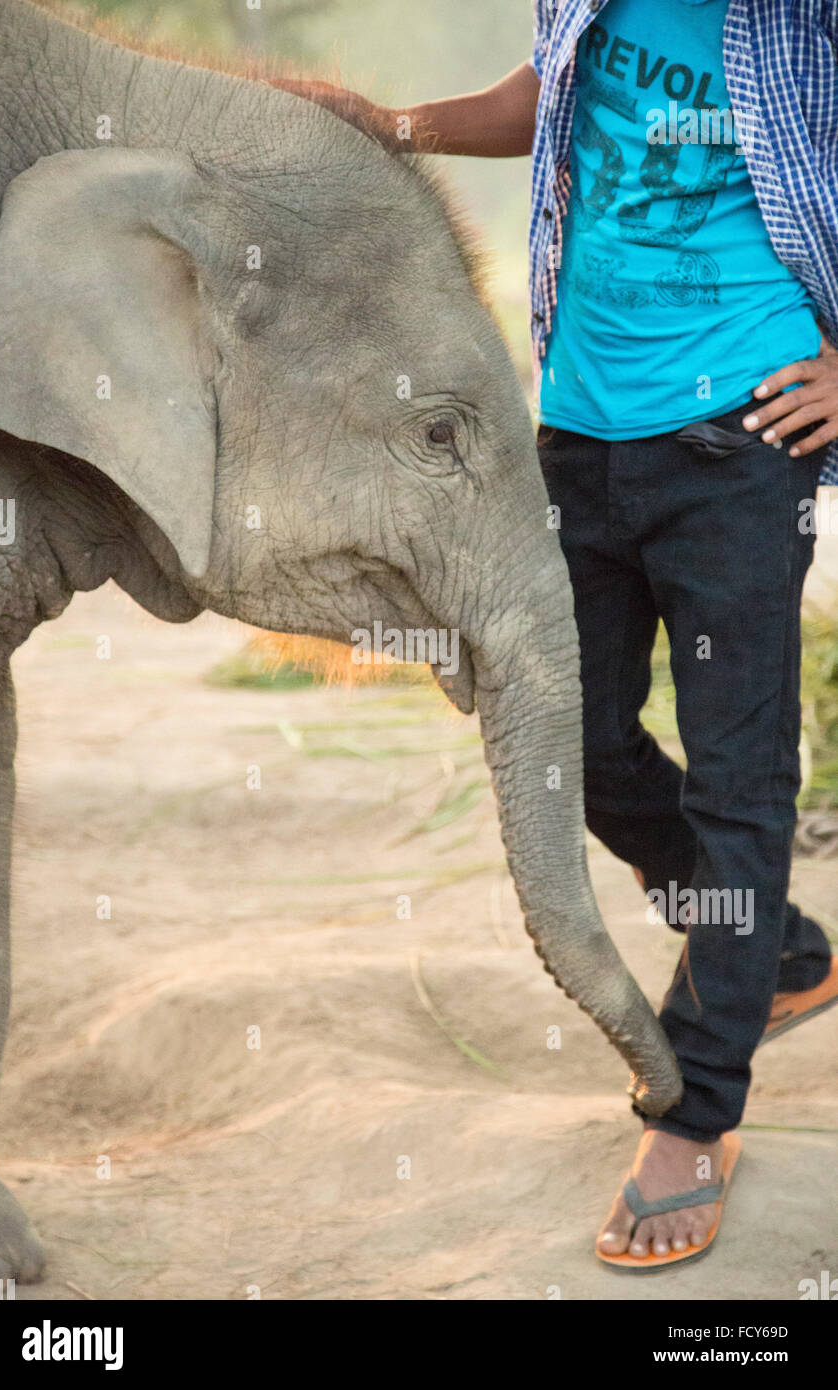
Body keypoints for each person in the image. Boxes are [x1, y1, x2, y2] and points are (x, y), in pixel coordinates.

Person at [357, 0, 838, 1267]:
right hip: (576, 424)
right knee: (559, 728)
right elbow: (546, 98)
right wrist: (386, 125)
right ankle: (776, 949)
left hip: (739, 437)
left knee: (741, 781)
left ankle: (695, 1111)